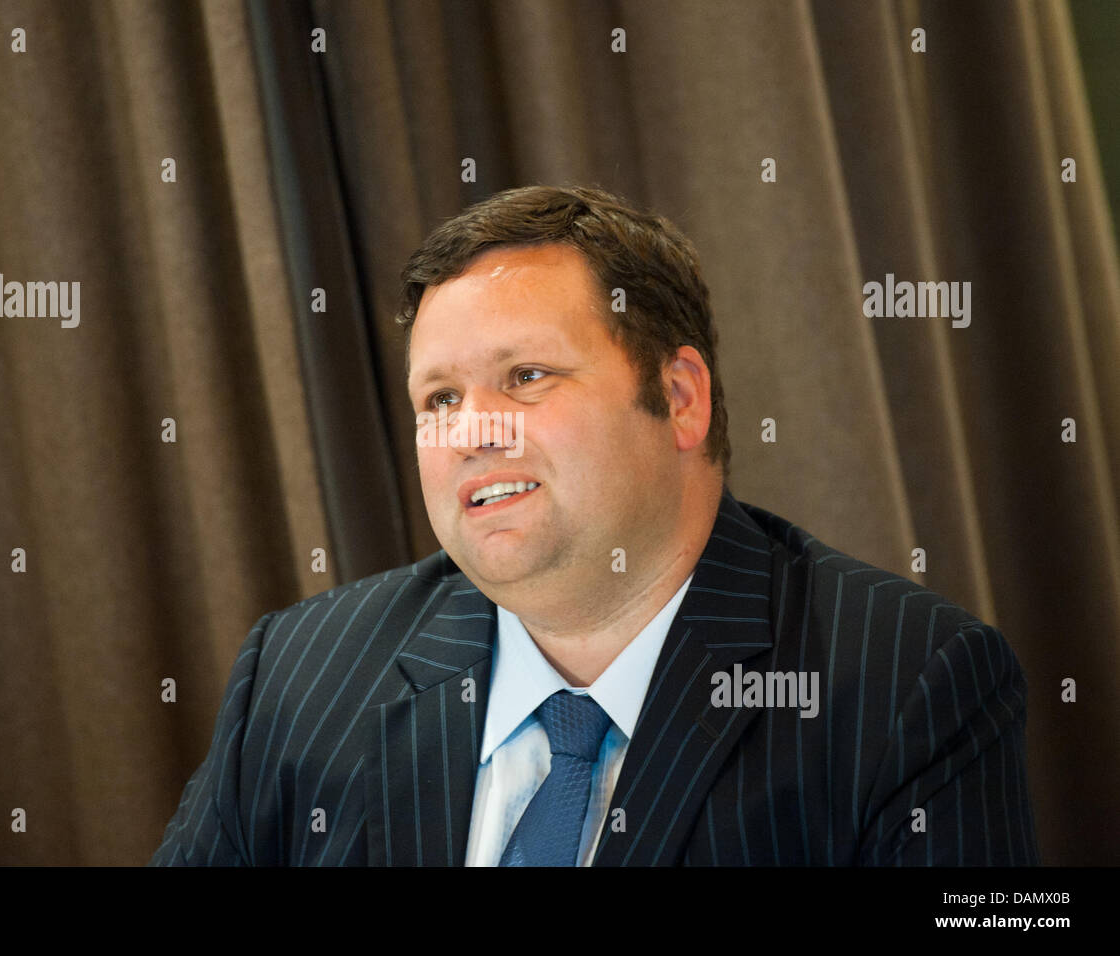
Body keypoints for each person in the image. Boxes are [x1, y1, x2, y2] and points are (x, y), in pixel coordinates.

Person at [149, 184, 1038, 866]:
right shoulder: (301, 674)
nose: (472, 433)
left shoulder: (908, 684)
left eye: (527, 376)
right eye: (441, 398)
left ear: (680, 398)